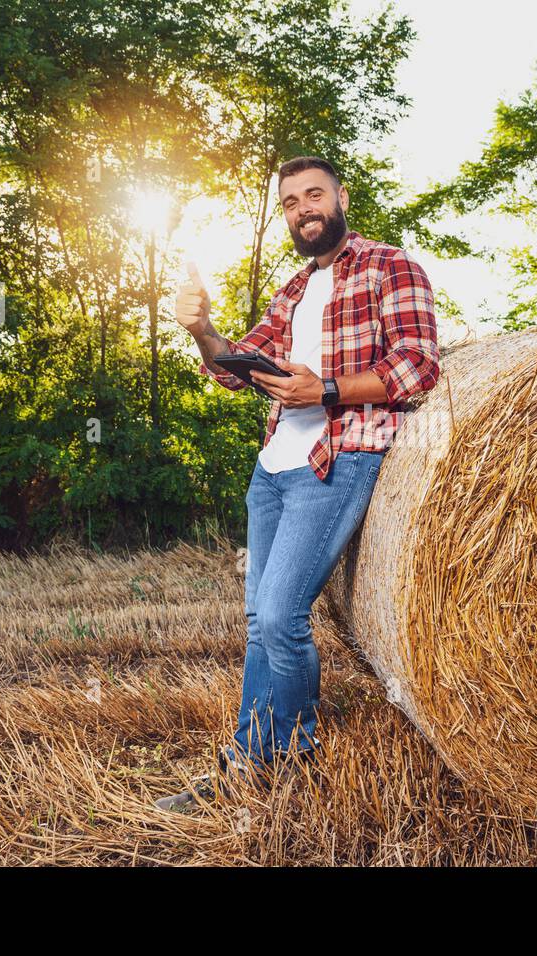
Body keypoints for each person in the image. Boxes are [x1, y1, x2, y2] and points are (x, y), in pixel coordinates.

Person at [155, 156, 441, 811]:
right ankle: (247, 765)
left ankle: (296, 758)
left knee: (282, 617)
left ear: (340, 197)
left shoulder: (389, 266)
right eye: (291, 202)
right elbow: (233, 369)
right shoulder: (290, 290)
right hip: (274, 470)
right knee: (261, 621)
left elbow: (418, 367)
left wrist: (329, 389)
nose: (304, 208)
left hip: (336, 459)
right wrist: (201, 330)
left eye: (314, 194)